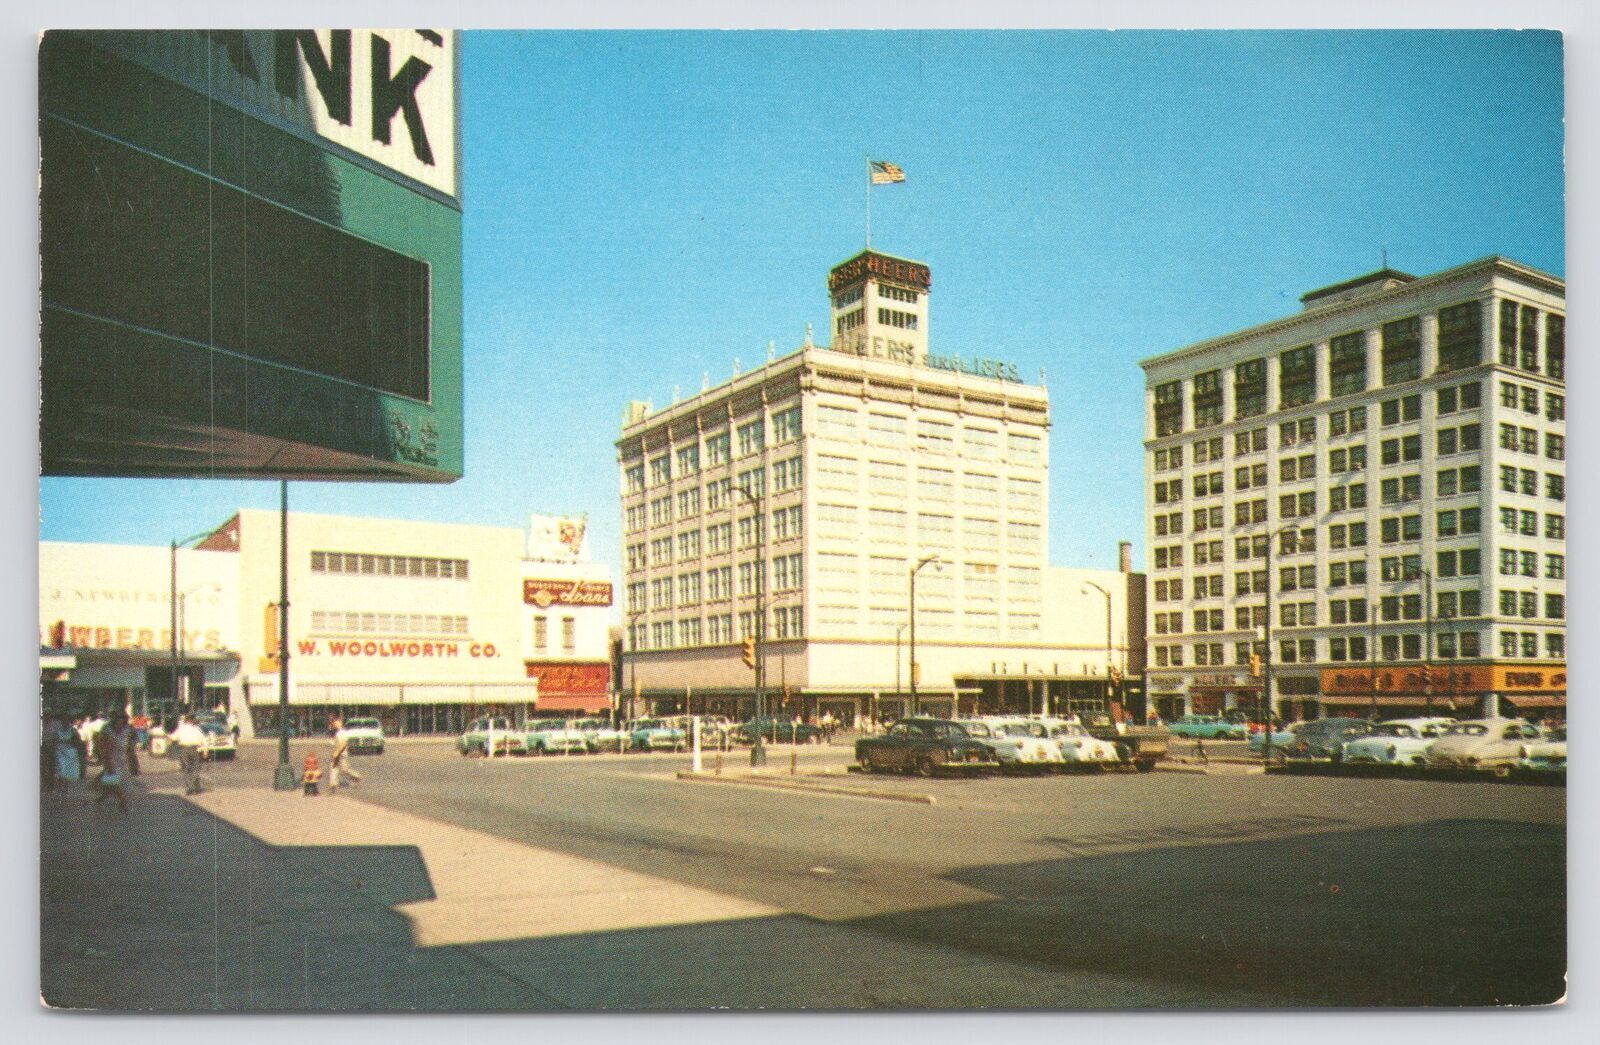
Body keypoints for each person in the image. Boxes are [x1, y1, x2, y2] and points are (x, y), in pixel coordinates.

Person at [94, 712, 137, 813]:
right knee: (116, 783)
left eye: (122, 722)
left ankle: (104, 799)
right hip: (112, 760)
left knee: (120, 783)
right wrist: (107, 762)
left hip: (123, 760)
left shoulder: (127, 730)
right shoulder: (109, 733)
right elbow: (105, 749)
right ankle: (124, 804)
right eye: (118, 723)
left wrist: (132, 749)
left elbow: (133, 740)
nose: (120, 725)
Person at [172, 714, 206, 795]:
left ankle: (189, 788)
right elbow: (203, 740)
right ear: (192, 720)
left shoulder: (181, 729)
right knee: (195, 768)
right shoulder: (196, 729)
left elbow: (173, 738)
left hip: (184, 749)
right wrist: (205, 751)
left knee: (187, 768)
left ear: (185, 720)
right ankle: (195, 788)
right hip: (195, 749)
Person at [328, 719, 362, 790]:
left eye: (336, 723)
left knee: (344, 769)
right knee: (334, 767)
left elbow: (343, 744)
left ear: (340, 724)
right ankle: (333, 784)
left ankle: (356, 777)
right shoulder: (337, 733)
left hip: (341, 753)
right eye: (334, 723)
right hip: (338, 753)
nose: (334, 725)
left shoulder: (342, 733)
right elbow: (335, 743)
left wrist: (337, 753)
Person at [52, 717, 83, 791]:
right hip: (60, 751)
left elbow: (79, 740)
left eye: (66, 721)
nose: (65, 722)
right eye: (63, 721)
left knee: (67, 771)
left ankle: (65, 787)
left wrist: (71, 742)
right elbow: (54, 740)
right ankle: (59, 786)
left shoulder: (73, 730)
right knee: (61, 769)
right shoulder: (58, 730)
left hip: (70, 752)